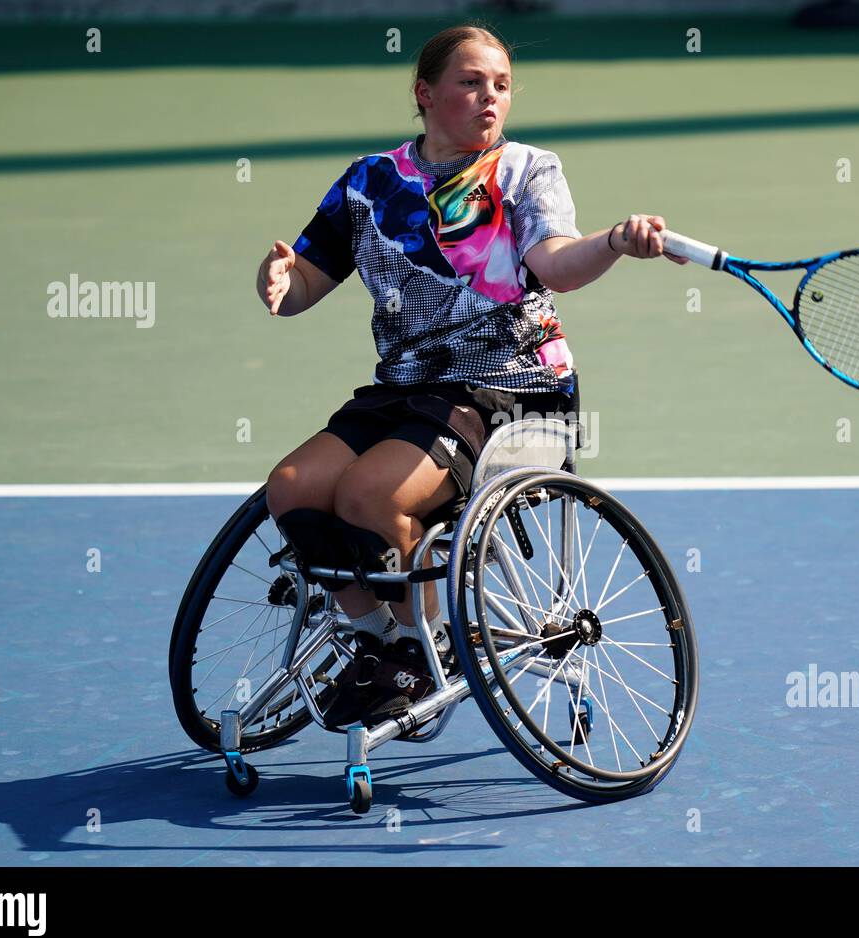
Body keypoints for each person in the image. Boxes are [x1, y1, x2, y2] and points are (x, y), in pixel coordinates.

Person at [256, 22, 686, 728]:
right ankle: (375, 641)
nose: (491, 97)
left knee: (371, 496)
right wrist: (277, 277)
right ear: (425, 94)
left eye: (503, 85)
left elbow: (554, 265)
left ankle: (426, 653)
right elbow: (304, 284)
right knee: (293, 488)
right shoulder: (371, 181)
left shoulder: (526, 171)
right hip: (405, 386)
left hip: (510, 382)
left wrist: (613, 242)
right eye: (471, 82)